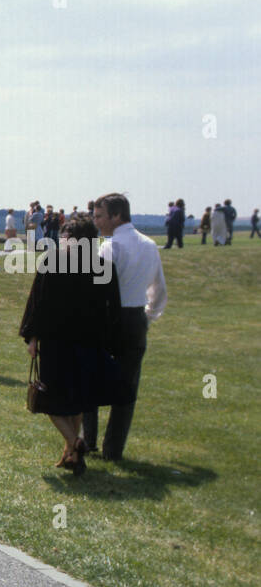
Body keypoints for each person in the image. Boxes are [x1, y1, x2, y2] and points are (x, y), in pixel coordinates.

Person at [20, 217, 131, 473]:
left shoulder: (53, 262)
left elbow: (38, 304)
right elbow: (112, 310)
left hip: (57, 343)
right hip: (88, 343)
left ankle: (74, 443)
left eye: (64, 236)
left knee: (51, 400)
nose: (61, 240)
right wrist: (112, 342)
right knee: (76, 399)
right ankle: (72, 454)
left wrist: (33, 337)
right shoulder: (103, 266)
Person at [81, 193, 168, 462]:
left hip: (109, 319)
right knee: (127, 388)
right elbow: (159, 288)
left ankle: (89, 440)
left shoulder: (110, 247)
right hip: (135, 319)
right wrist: (147, 316)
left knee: (90, 380)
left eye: (99, 216)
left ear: (116, 216)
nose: (96, 223)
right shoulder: (150, 245)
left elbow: (97, 290)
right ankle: (113, 449)